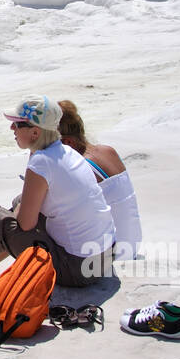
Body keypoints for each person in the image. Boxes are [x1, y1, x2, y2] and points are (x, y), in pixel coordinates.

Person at [0, 95, 115, 312]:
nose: (11, 127)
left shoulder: (41, 162)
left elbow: (25, 225)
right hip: (102, 261)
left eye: (18, 124)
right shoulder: (66, 152)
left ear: (35, 132)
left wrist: (13, 214)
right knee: (19, 203)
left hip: (77, 270)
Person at [58, 100, 143, 261]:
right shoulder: (108, 151)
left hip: (109, 254)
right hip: (131, 245)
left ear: (68, 142)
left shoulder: (79, 167)